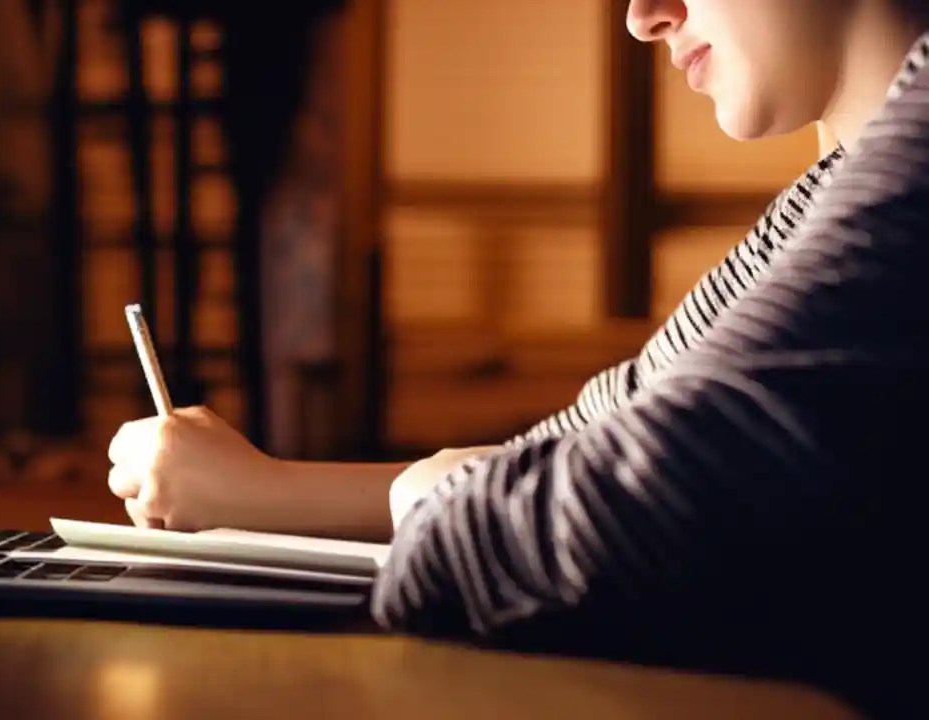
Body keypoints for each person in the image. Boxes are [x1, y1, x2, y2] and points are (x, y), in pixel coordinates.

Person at [107, 1, 929, 707]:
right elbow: (597, 438)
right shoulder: (829, 190)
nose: (643, 16)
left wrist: (421, 499)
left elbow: (628, 506)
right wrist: (265, 492)